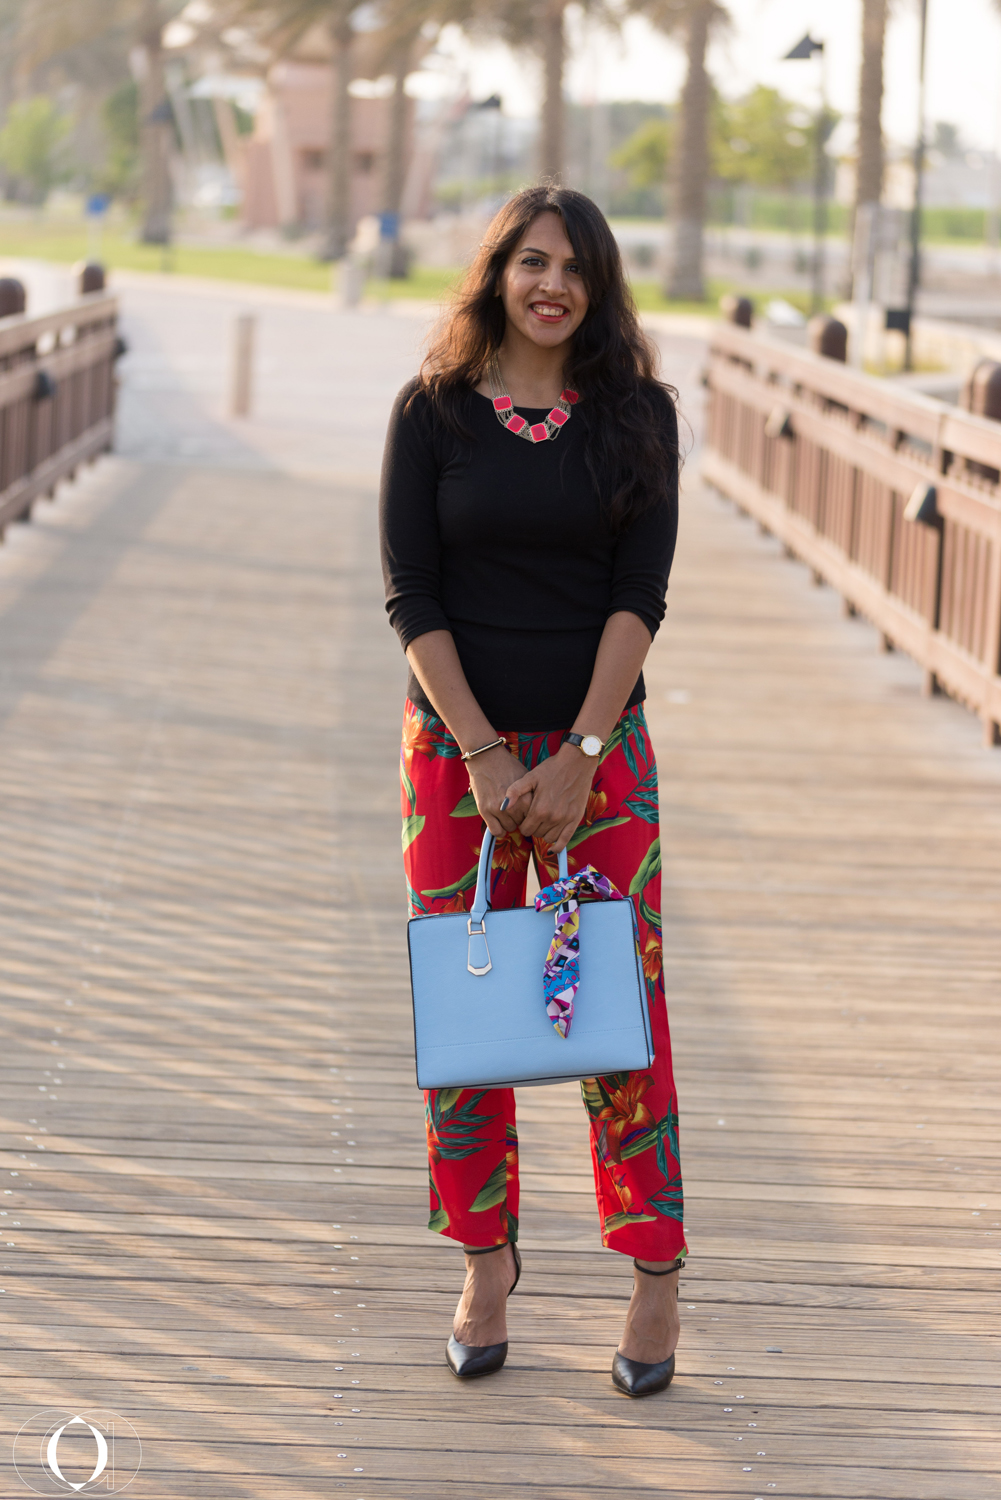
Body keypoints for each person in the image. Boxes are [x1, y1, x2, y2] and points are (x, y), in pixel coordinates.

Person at [379, 184, 687, 1398]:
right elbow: (413, 593)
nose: (551, 285)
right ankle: (483, 1263)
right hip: (454, 761)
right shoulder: (432, 412)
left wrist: (578, 754)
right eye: (530, 262)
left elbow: (638, 593)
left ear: (599, 289)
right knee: (470, 1024)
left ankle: (654, 1273)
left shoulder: (637, 417)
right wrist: (486, 757)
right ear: (497, 272)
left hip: (598, 763)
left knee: (618, 1017)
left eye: (574, 268)